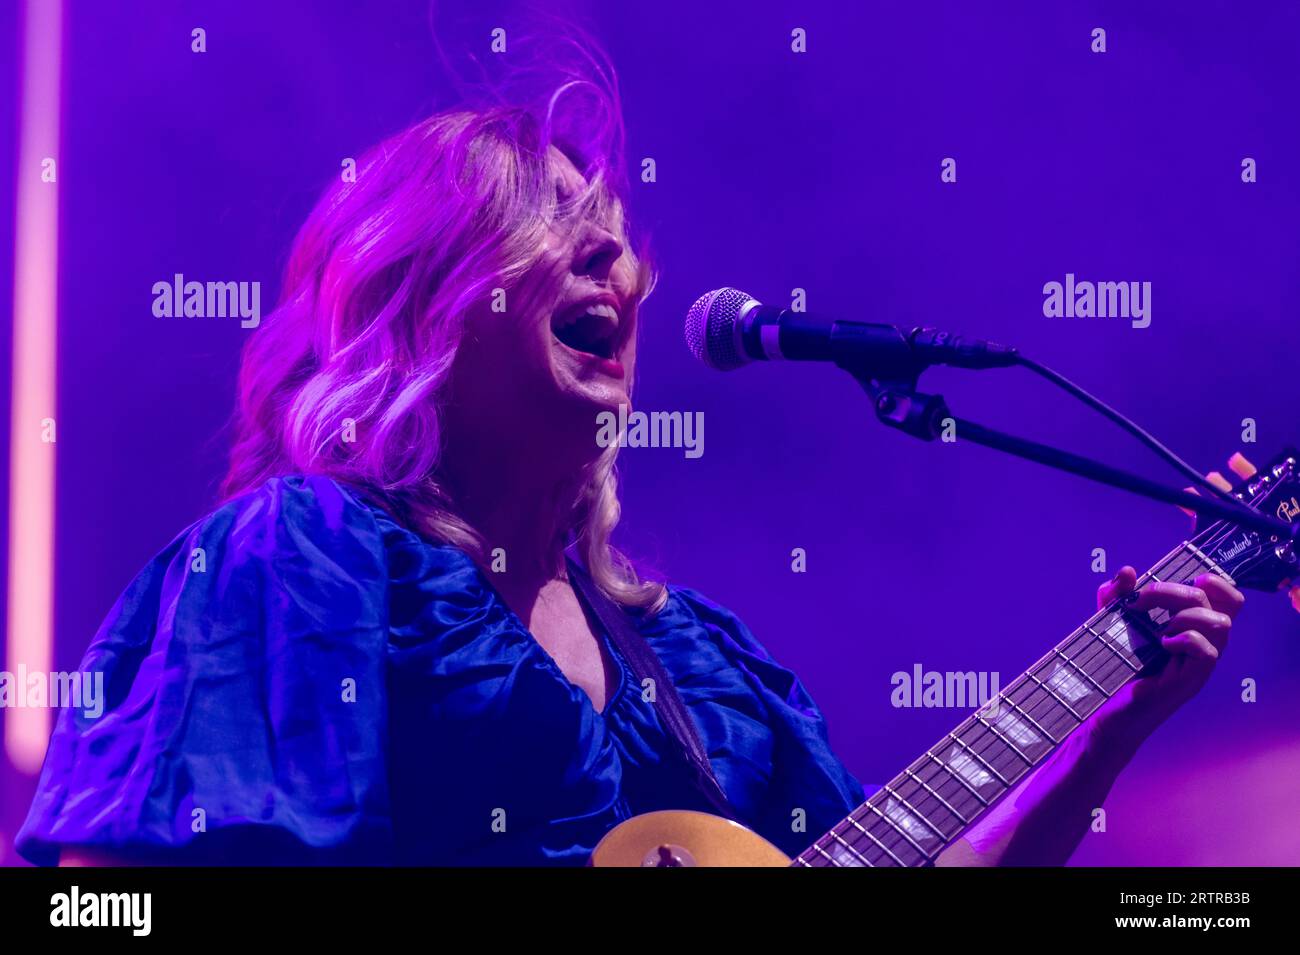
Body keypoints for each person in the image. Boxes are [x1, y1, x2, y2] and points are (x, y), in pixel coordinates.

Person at [17, 73, 1242, 867]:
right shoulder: (306, 555)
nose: (615, 252)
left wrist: (1110, 735)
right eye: (549, 217)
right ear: (424, 298)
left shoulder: (699, 659)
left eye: (614, 231)